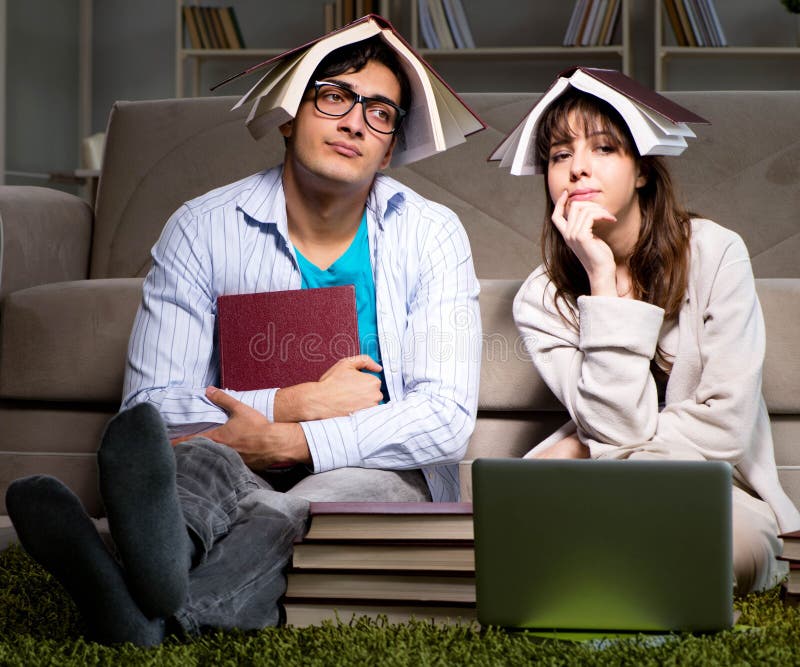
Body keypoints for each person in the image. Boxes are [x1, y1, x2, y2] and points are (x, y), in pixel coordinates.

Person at [6, 34, 481, 646]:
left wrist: (290, 441)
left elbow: (443, 418)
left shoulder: (433, 235)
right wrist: (289, 404)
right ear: (288, 117)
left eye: (380, 113)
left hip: (373, 463)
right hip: (232, 447)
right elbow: (148, 410)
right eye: (334, 96)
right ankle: (159, 568)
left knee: (291, 511)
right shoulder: (201, 228)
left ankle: (149, 609)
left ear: (389, 151)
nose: (356, 123)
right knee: (198, 461)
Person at [509, 86, 800, 594]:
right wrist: (601, 279)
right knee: (524, 542)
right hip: (602, 484)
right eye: (560, 155)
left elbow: (726, 426)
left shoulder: (716, 251)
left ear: (642, 169)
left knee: (737, 546)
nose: (577, 168)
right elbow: (616, 426)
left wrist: (587, 450)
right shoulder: (540, 298)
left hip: (713, 483)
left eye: (603, 148)